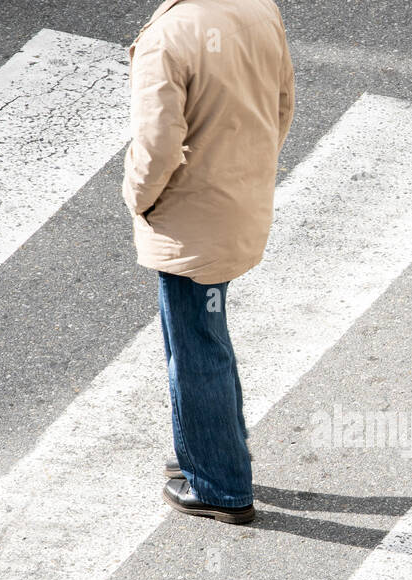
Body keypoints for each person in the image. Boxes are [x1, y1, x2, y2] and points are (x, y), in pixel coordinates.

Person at [122, 0, 295, 524]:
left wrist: (138, 198)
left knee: (195, 347)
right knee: (208, 334)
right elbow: (283, 101)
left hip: (191, 216)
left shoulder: (168, 37)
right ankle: (216, 448)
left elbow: (156, 146)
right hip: (239, 200)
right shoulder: (258, 6)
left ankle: (220, 483)